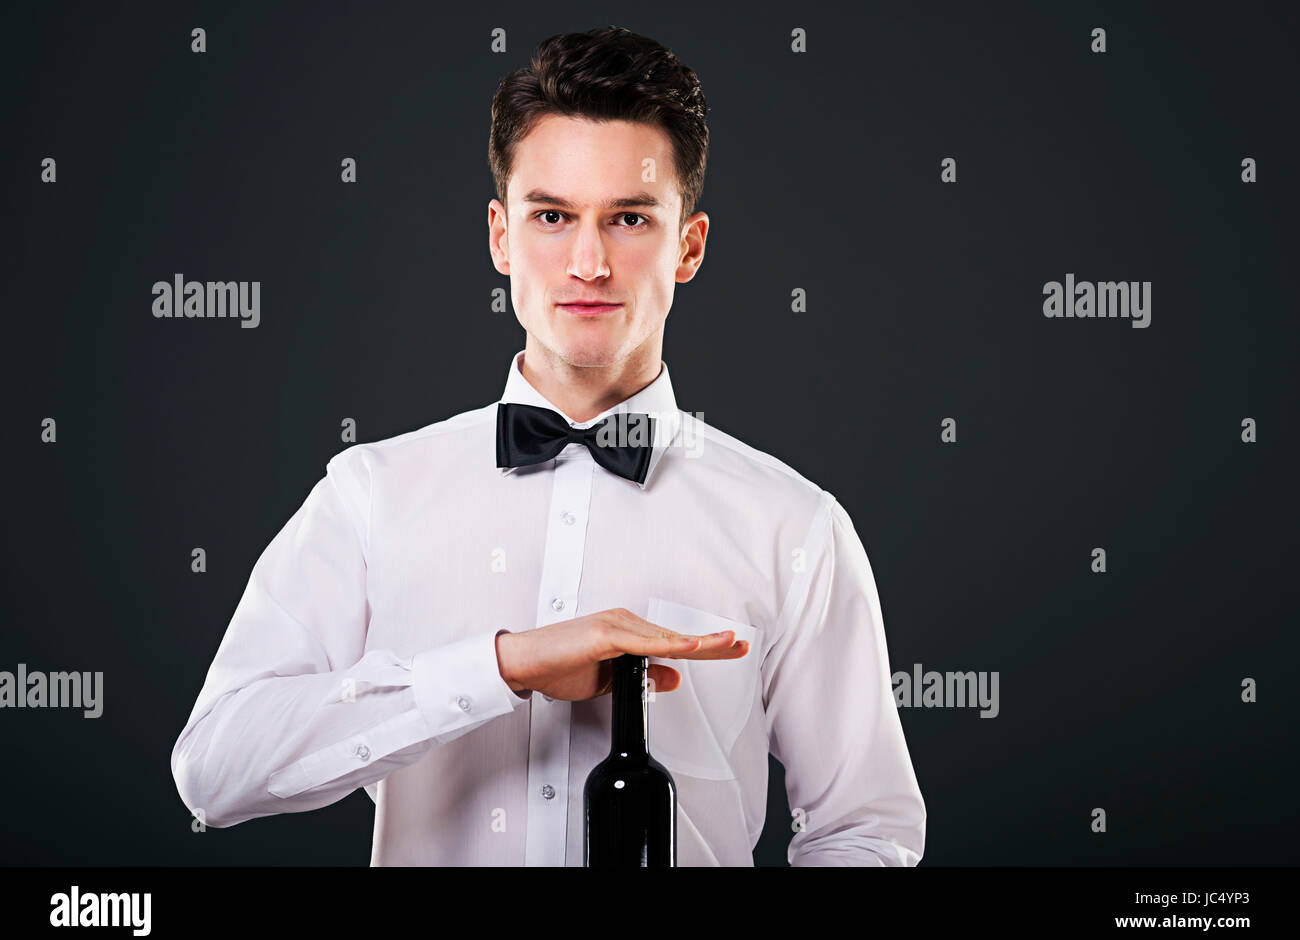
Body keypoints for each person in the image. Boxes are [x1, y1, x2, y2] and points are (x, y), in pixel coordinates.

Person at [170, 24, 926, 866]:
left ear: (689, 246)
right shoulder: (371, 493)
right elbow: (214, 769)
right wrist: (501, 668)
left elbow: (868, 830)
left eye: (630, 218)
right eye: (553, 216)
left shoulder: (796, 527)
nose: (589, 261)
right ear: (501, 235)